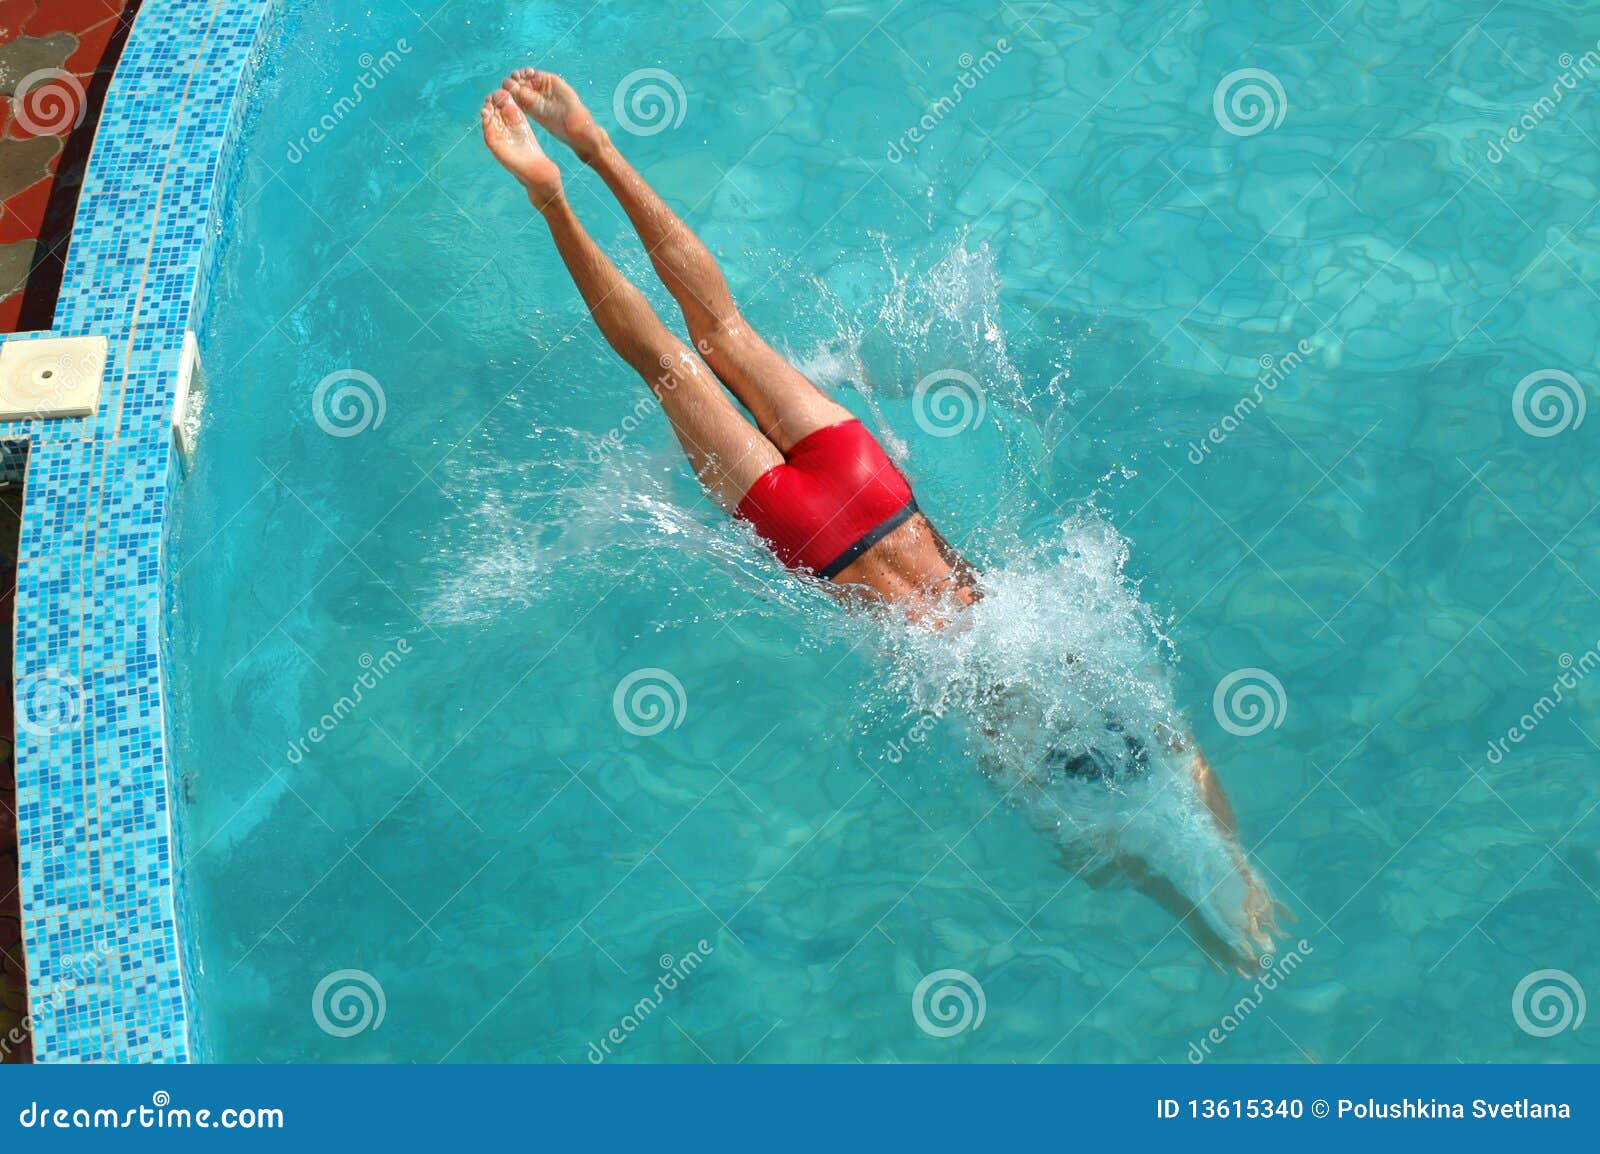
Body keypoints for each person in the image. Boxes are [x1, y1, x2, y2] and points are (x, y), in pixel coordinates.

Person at [481, 72, 1282, 962]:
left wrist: (1238, 872)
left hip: (877, 491)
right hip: (814, 543)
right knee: (666, 361)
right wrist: (1210, 913)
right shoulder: (1010, 756)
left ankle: (593, 145)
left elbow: (1189, 766)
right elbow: (1118, 862)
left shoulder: (1076, 644)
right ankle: (549, 197)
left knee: (728, 332)